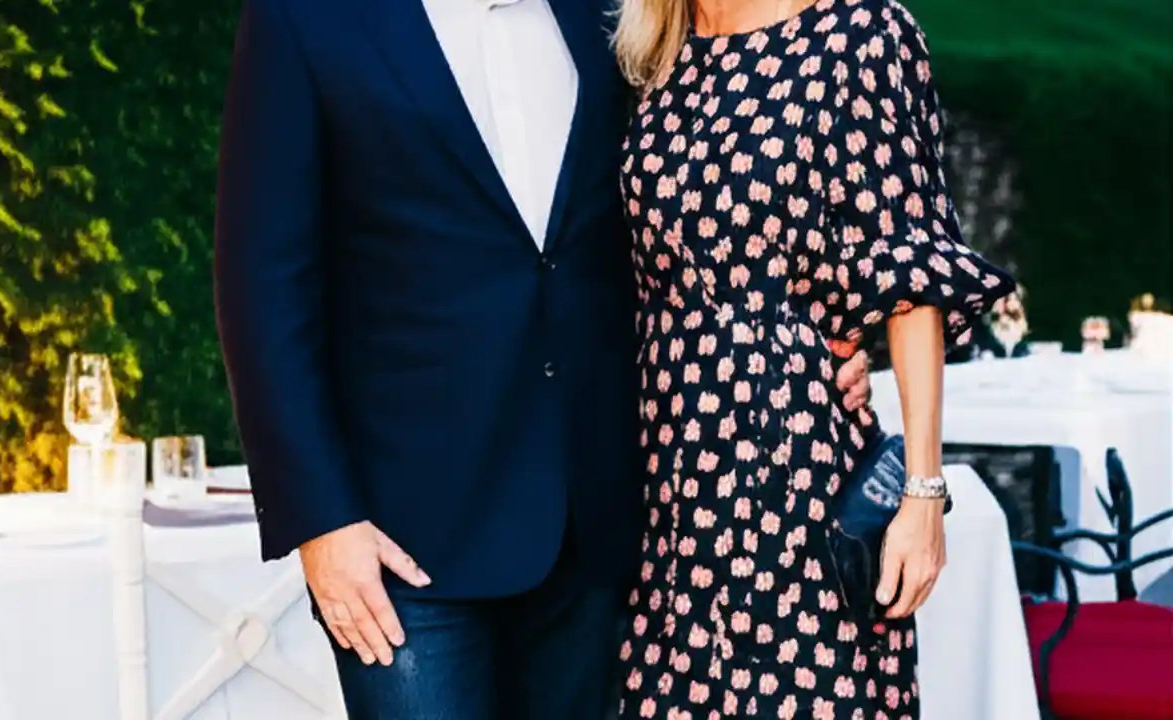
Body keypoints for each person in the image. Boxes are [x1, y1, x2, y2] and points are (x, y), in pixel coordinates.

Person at [214, 0, 873, 717]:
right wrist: (320, 519)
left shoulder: (617, 13)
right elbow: (263, 285)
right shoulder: (305, 18)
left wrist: (813, 332)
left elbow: (697, 196)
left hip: (592, 528)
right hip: (402, 541)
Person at [612, 0, 1016, 717]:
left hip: (794, 465)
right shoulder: (650, 53)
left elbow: (909, 275)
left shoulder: (860, 34)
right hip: (665, 479)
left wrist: (923, 495)